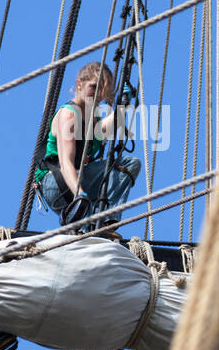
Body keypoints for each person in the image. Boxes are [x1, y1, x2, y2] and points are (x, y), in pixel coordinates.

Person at [35, 62, 141, 230]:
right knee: (90, 226)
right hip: (58, 182)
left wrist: (123, 105)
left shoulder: (93, 119)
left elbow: (110, 125)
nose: (98, 95)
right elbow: (65, 163)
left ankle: (104, 223)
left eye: (103, 91)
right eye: (94, 87)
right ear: (79, 84)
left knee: (130, 164)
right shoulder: (69, 114)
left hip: (78, 180)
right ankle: (102, 222)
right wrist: (80, 195)